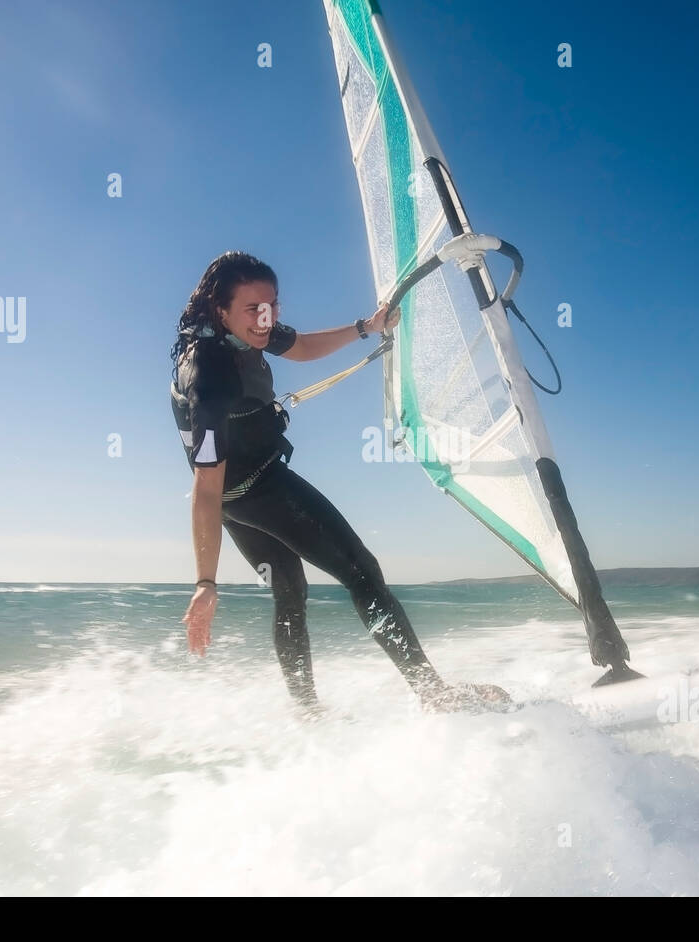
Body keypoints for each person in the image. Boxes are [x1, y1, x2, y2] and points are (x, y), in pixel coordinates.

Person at [170, 251, 508, 714]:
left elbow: (302, 347)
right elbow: (204, 486)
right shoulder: (209, 378)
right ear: (219, 308)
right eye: (253, 308)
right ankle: (435, 694)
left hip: (235, 500)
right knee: (361, 571)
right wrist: (206, 582)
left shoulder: (246, 332)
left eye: (273, 306)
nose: (266, 319)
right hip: (254, 489)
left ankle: (308, 716)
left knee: (289, 592)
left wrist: (367, 327)